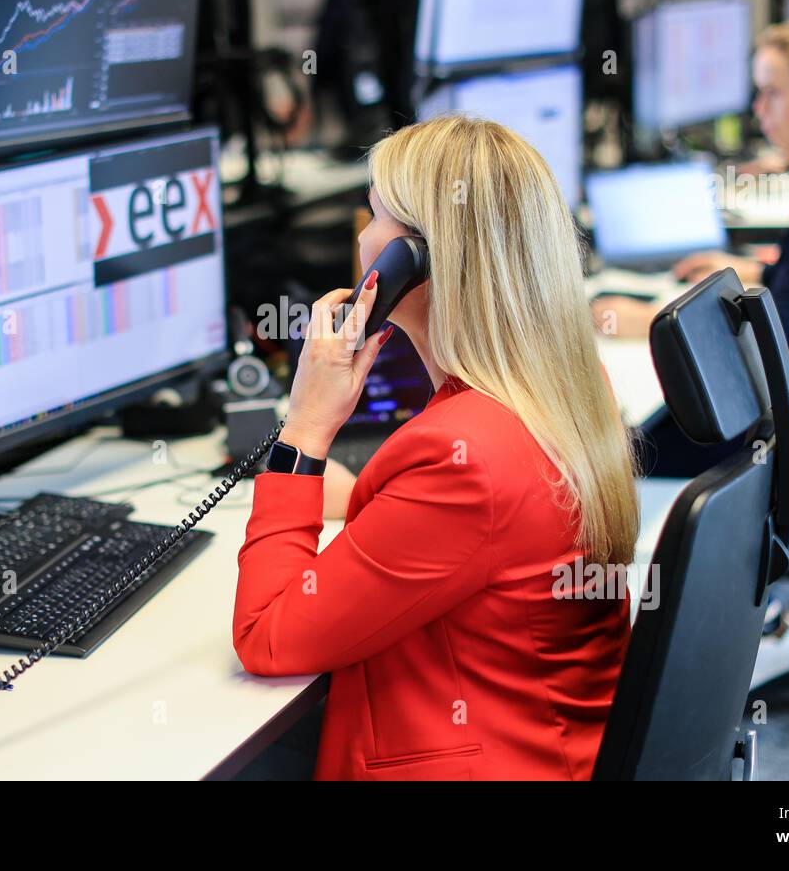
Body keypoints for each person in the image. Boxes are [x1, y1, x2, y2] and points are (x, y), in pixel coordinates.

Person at [233, 115, 639, 780]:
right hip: (560, 747)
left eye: (372, 216)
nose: (361, 237)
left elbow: (266, 638)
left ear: (413, 262)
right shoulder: (563, 386)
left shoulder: (465, 458)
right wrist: (363, 496)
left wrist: (304, 430)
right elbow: (467, 538)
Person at [593, 17, 789, 479]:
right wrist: (751, 269)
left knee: (627, 450)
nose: (759, 109)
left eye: (773, 93)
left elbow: (770, 335)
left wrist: (646, 321)